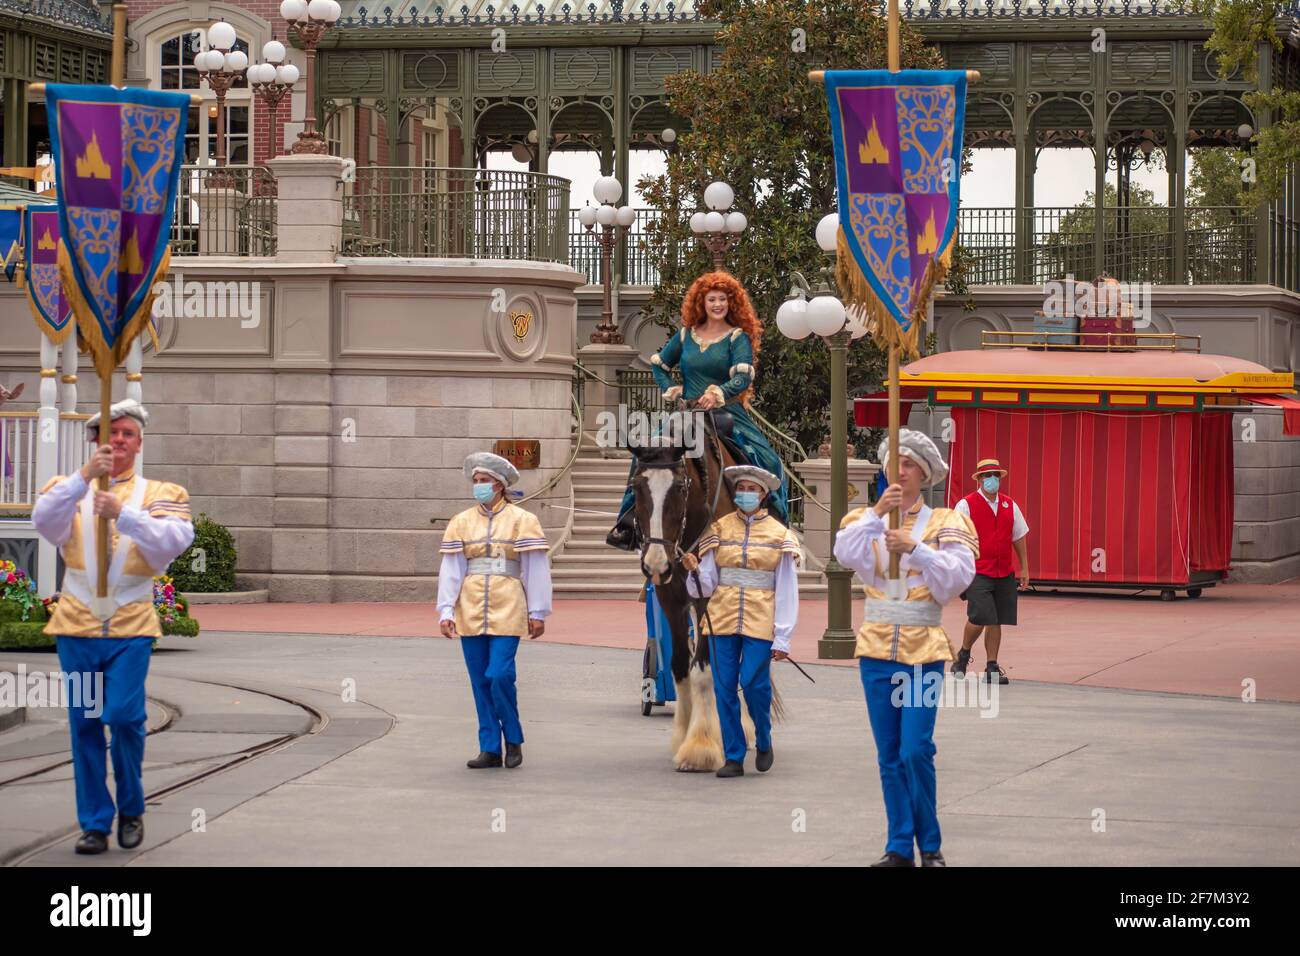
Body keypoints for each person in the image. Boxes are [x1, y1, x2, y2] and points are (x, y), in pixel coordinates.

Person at [31, 399, 195, 854]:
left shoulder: (161, 492)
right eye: (109, 433)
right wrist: (85, 479)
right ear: (94, 442)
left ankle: (132, 808)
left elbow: (176, 540)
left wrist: (122, 514)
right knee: (84, 723)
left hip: (130, 624)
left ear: (138, 444)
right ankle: (95, 823)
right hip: (78, 626)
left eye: (126, 434)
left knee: (123, 717)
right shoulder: (67, 487)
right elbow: (44, 522)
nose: (117, 440)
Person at [833, 429, 978, 867]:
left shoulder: (945, 522)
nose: (901, 470)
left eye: (910, 463)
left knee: (916, 749)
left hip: (923, 654)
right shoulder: (865, 520)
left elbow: (957, 579)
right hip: (876, 652)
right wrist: (878, 513)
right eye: (895, 461)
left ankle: (929, 845)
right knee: (889, 754)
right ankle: (899, 847)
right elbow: (844, 555)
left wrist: (915, 550)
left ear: (925, 473)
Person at [606, 271, 788, 550]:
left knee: (769, 460)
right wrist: (673, 389)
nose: (717, 304)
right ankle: (627, 523)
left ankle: (776, 521)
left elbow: (743, 376)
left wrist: (718, 393)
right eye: (711, 299)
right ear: (701, 303)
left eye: (723, 299)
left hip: (726, 413)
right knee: (646, 452)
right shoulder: (685, 336)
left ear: (732, 303)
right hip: (686, 413)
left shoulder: (736, 337)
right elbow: (659, 365)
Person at [681, 465, 799, 778]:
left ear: (763, 494)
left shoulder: (779, 536)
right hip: (721, 618)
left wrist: (783, 636)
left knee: (753, 683)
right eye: (741, 488)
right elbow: (705, 584)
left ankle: (763, 735)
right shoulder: (718, 529)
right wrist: (693, 570)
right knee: (724, 688)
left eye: (752, 488)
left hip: (761, 621)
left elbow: (787, 589)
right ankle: (733, 755)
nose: (745, 493)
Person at [437, 452, 552, 770]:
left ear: (500, 485)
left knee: (499, 674)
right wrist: (445, 610)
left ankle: (513, 738)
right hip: (470, 607)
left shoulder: (523, 520)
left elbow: (535, 568)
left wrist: (538, 611)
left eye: (484, 481)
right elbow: (452, 570)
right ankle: (489, 746)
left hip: (508, 606)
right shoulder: (461, 522)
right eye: (475, 482)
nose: (479, 486)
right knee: (479, 680)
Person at [952, 458, 1029, 684]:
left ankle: (991, 666)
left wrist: (1024, 566)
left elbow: (1019, 536)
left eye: (995, 474)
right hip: (976, 570)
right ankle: (964, 654)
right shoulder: (966, 505)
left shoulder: (1009, 505)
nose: (992, 479)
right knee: (981, 615)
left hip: (1003, 570)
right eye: (987, 475)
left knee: (997, 618)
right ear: (979, 479)